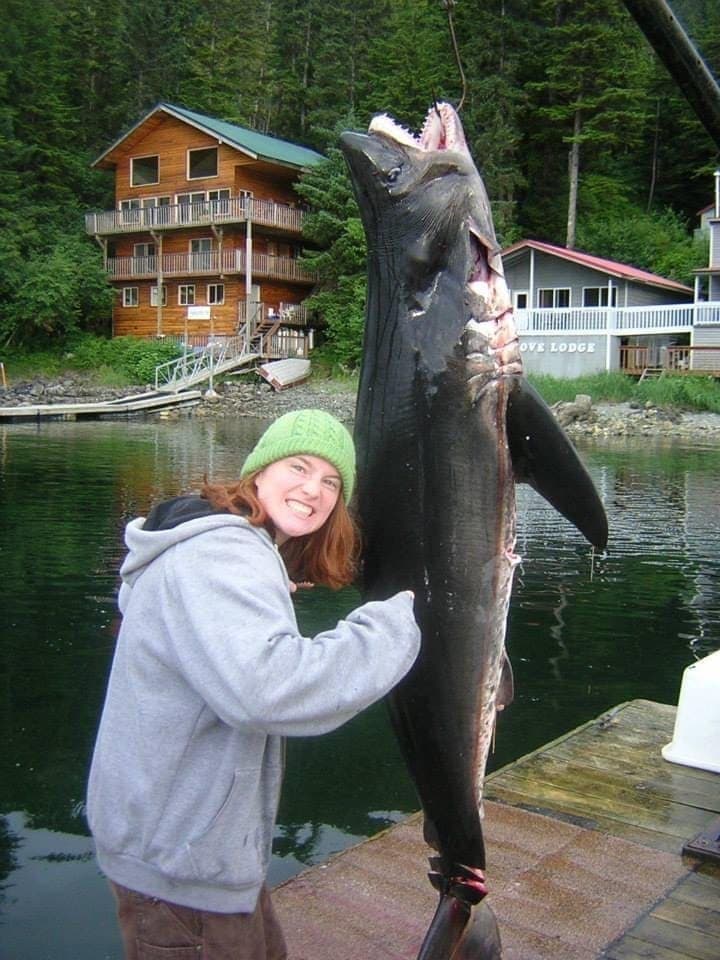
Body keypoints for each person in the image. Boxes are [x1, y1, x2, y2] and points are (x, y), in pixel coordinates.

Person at [86, 408, 420, 960]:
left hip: (184, 844)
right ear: (258, 471)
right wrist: (398, 624)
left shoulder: (222, 545)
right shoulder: (223, 553)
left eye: (331, 482)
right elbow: (270, 691)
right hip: (179, 865)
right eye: (299, 466)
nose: (314, 489)